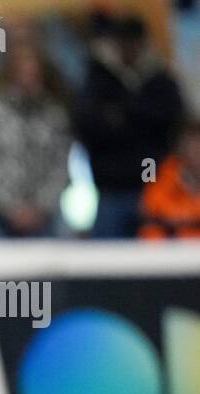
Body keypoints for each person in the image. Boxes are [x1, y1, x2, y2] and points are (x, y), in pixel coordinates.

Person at [75, 14, 185, 239]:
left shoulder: (160, 78)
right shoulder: (97, 77)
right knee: (106, 268)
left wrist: (124, 113)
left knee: (158, 266)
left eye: (134, 42)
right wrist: (140, 116)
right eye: (123, 42)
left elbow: (172, 123)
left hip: (156, 191)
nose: (129, 48)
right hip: (110, 189)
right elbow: (89, 125)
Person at [0, 42, 71, 238]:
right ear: (10, 73)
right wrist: (10, 208)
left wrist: (40, 207)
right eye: (23, 71)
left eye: (33, 71)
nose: (28, 77)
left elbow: (61, 163)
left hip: (46, 218)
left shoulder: (54, 113)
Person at [139, 119, 200, 239]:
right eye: (193, 146)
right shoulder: (162, 177)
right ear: (182, 148)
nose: (198, 151)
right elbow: (154, 210)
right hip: (168, 252)